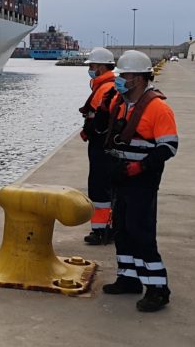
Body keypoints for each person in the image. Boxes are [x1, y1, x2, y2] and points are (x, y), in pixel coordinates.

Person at [101, 50, 179, 312]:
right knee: (122, 229)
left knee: (140, 231)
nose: (120, 80)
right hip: (121, 177)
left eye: (125, 76)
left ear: (140, 78)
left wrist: (140, 167)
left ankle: (158, 289)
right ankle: (128, 278)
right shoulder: (121, 103)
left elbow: (168, 147)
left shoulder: (158, 108)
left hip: (142, 179)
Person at [78, 47, 117, 245]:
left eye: (92, 66)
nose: (90, 70)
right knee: (106, 187)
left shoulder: (105, 88)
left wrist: (90, 130)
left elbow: (102, 120)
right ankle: (109, 228)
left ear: (101, 67)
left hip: (101, 146)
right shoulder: (106, 86)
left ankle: (101, 231)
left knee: (100, 188)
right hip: (103, 144)